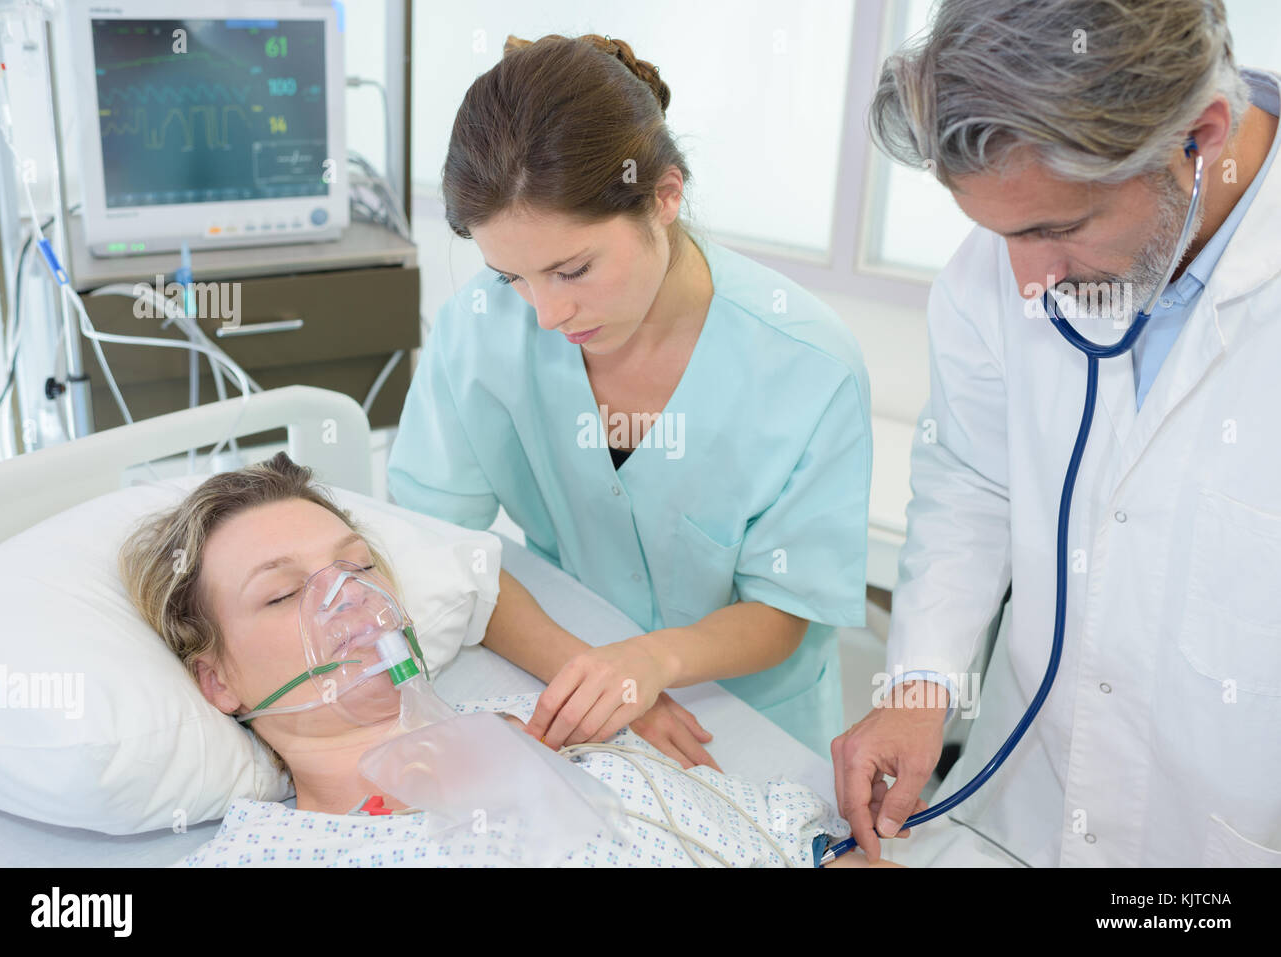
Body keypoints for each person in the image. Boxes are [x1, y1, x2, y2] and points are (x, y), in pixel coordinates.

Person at [833, 0, 1281, 867]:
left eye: (1058, 230)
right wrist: (923, 684)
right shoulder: (1009, 252)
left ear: (1202, 136)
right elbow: (974, 478)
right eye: (1000, 232)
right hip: (1022, 821)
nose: (1026, 280)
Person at [388, 33, 872, 761]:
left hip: (749, 724)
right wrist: (588, 672)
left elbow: (785, 607)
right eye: (510, 276)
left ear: (665, 195)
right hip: (569, 685)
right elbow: (440, 546)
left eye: (573, 269)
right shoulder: (480, 331)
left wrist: (649, 664)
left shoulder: (805, 364)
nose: (546, 314)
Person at [118, 453, 897, 867]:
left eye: (359, 567)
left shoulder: (582, 743)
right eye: (284, 594)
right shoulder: (271, 857)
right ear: (217, 682)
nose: (348, 600)